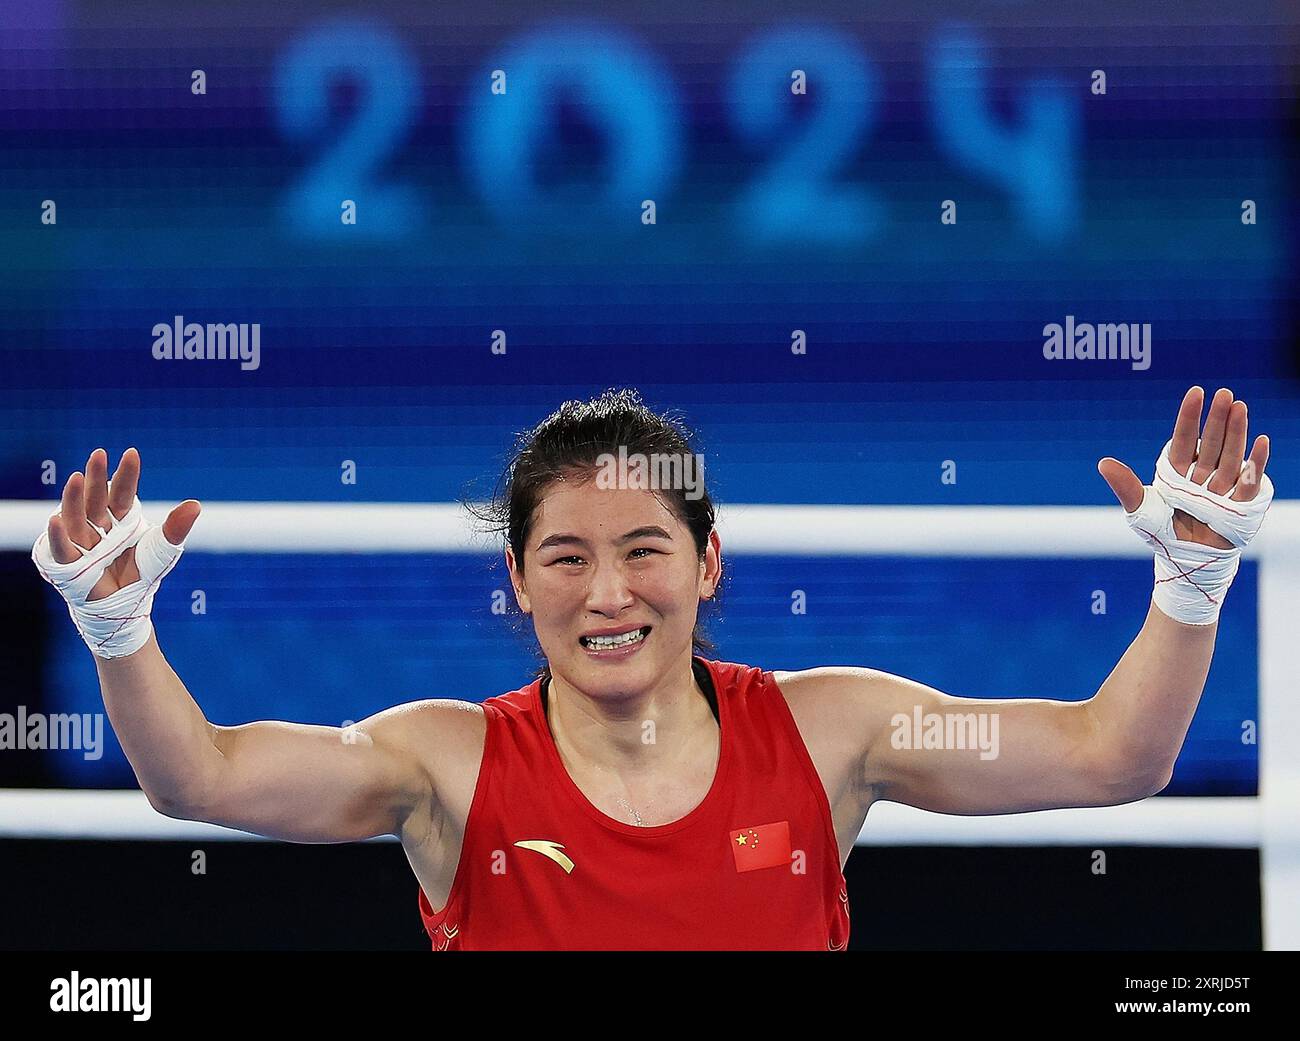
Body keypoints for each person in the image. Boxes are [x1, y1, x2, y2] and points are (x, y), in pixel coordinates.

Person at [31, 385, 1273, 950]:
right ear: (517, 583)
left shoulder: (836, 732)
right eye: (564, 556)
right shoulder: (441, 763)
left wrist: (1190, 585)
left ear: (710, 562)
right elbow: (197, 779)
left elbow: (1116, 756)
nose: (608, 592)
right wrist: (119, 631)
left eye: (643, 550)